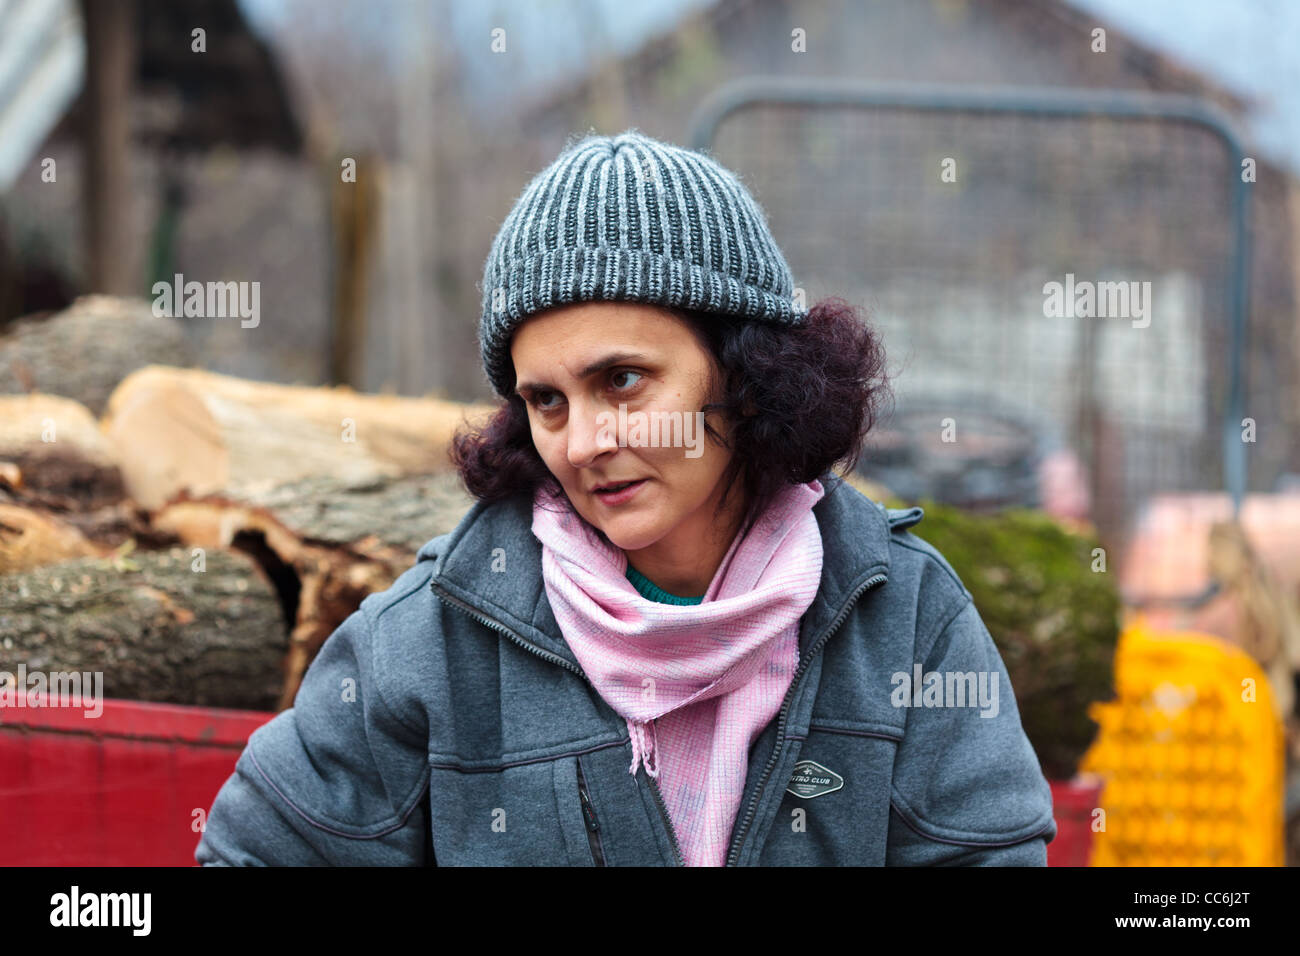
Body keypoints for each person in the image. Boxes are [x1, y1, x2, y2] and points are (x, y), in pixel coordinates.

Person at [195, 129, 1056, 866]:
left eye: (624, 380)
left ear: (747, 369)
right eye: (547, 401)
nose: (584, 443)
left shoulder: (902, 619)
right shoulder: (433, 641)